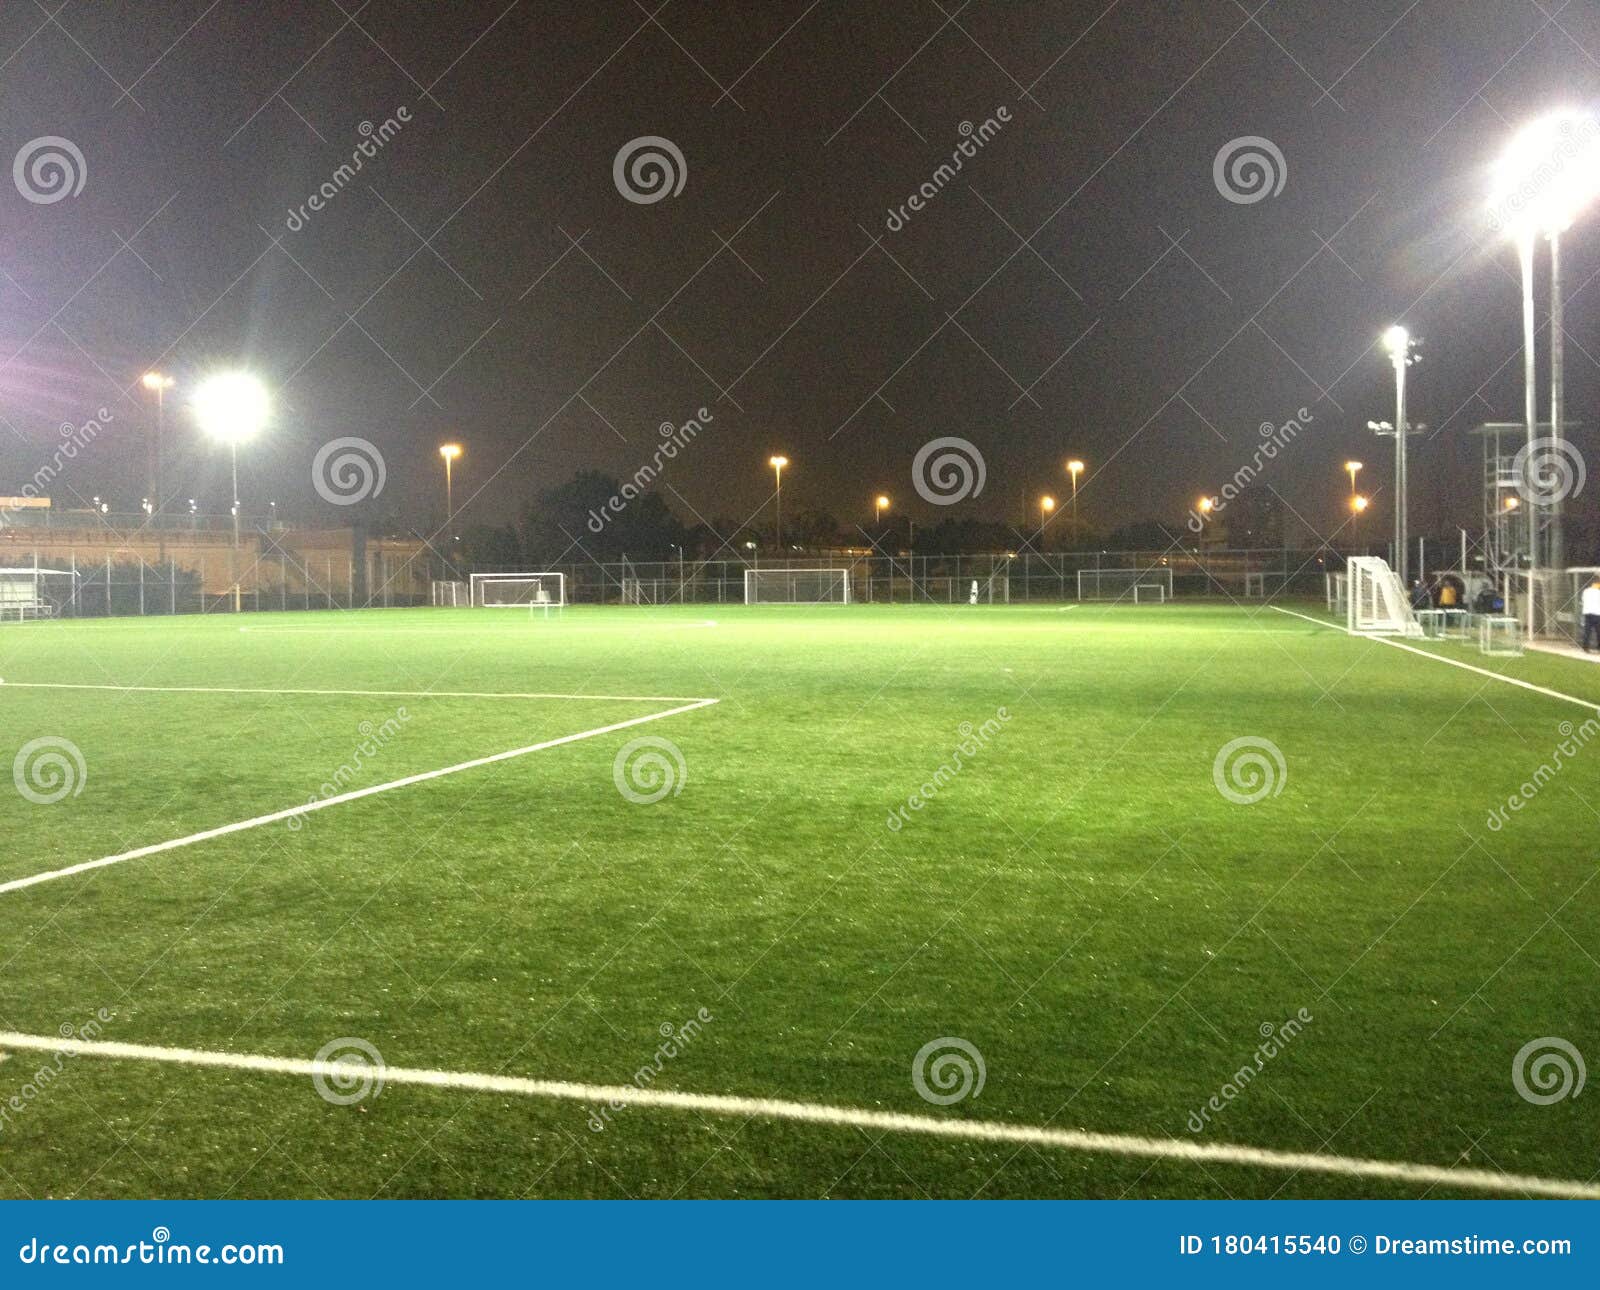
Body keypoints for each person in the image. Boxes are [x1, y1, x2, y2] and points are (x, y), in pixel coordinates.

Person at [1583, 577, 1600, 653]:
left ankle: (1585, 647)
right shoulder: (1598, 592)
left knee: (1587, 631)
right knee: (1598, 631)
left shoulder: (1586, 591)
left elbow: (1583, 600)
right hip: (1597, 613)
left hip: (1587, 613)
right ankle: (1598, 647)